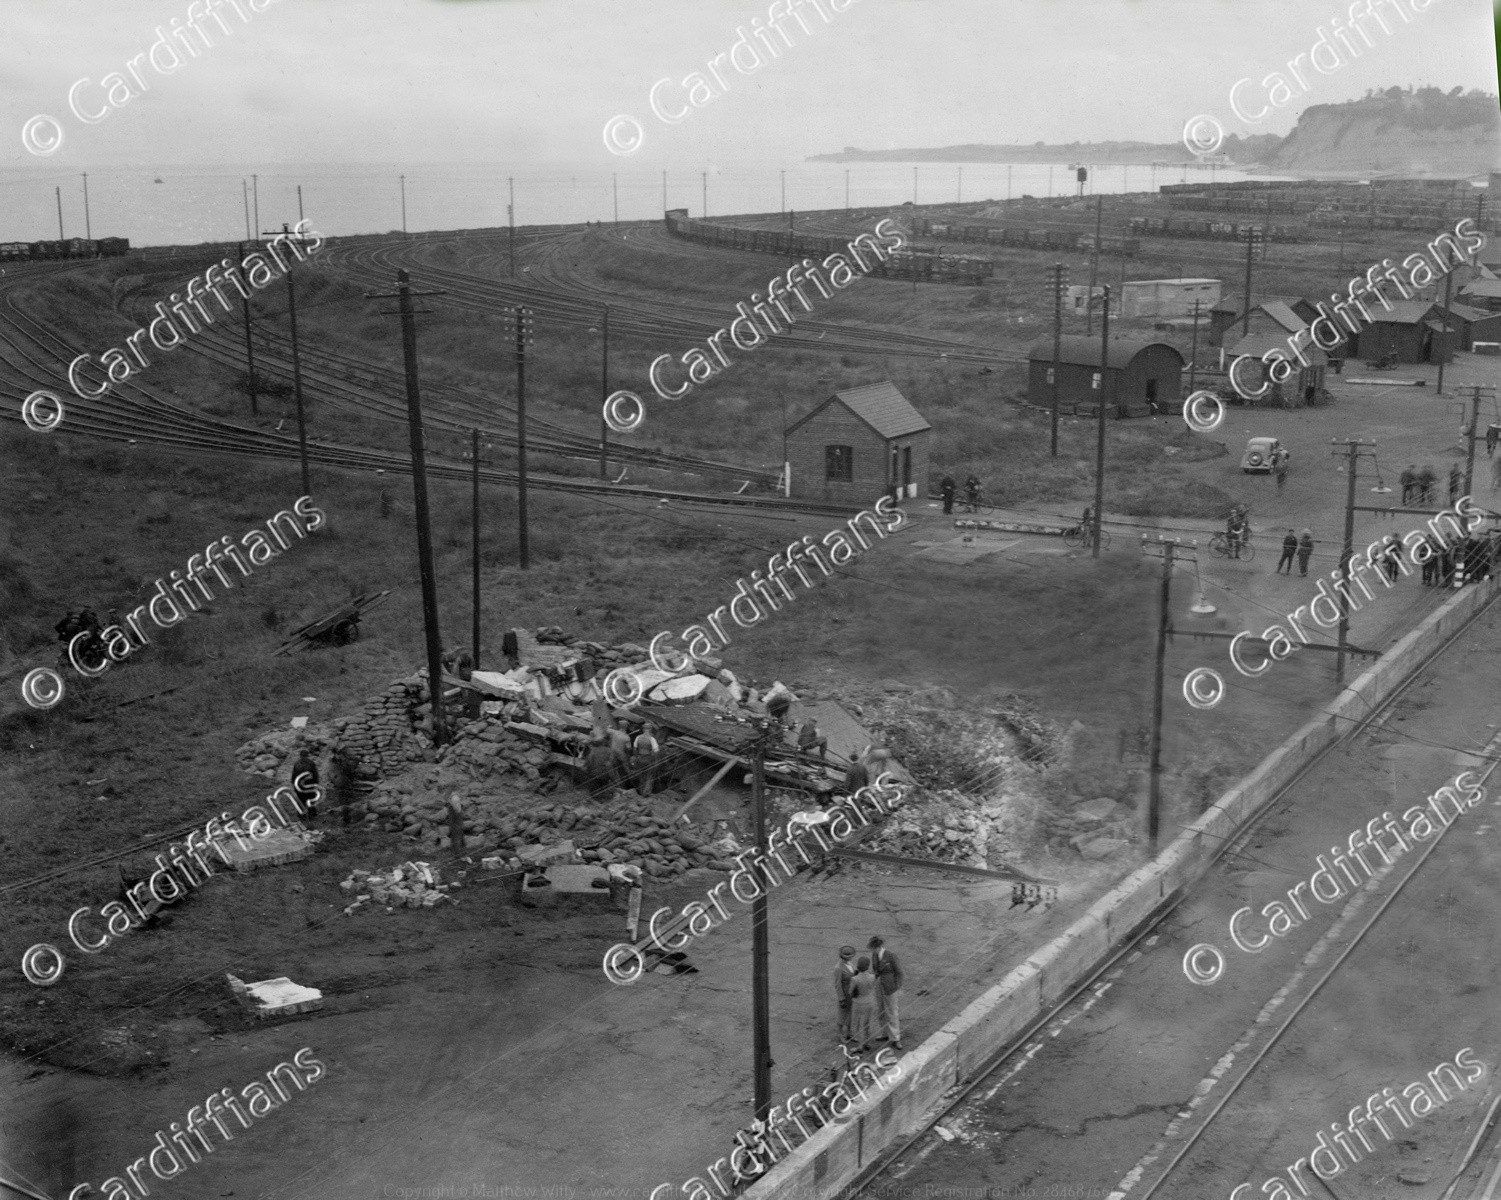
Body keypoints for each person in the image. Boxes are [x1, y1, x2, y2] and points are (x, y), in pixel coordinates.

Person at [868, 935, 903, 1050]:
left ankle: (895, 1037)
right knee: (881, 1009)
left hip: (890, 986)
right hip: (879, 984)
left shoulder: (890, 956)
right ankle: (885, 1033)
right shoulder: (874, 955)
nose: (873, 950)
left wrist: (897, 986)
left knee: (892, 1011)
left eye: (874, 948)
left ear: (879, 946)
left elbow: (899, 972)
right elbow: (875, 969)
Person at [846, 956, 879, 1051]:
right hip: (870, 1001)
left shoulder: (855, 979)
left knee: (858, 1024)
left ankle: (860, 1045)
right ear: (867, 966)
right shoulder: (872, 977)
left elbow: (850, 992)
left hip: (859, 1003)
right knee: (868, 1023)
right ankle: (867, 1043)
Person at [834, 945, 858, 1043]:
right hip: (845, 994)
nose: (851, 957)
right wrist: (841, 998)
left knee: (851, 1013)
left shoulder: (850, 964)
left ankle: (848, 1033)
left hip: (851, 993)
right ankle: (841, 1034)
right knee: (842, 1015)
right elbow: (837, 984)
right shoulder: (838, 968)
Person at [290, 747, 319, 821]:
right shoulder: (311, 763)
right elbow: (315, 774)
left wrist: (294, 784)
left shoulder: (297, 763)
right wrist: (316, 784)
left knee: (300, 800)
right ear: (307, 755)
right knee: (311, 798)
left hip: (299, 785)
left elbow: (294, 775)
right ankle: (312, 814)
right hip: (309, 785)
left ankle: (301, 815)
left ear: (300, 755)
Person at [632, 724, 660, 796]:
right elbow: (656, 751)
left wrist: (636, 756)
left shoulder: (638, 737)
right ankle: (646, 793)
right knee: (649, 776)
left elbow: (634, 748)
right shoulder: (651, 739)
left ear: (643, 729)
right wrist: (654, 759)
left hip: (640, 758)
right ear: (650, 729)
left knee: (641, 776)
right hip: (648, 759)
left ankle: (641, 792)